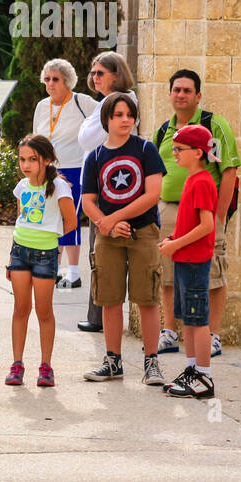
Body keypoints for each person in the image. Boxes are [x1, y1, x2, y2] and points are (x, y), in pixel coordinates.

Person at [154, 69, 241, 361]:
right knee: (169, 273)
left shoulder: (213, 126)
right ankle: (170, 331)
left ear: (198, 95)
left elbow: (229, 171)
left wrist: (218, 217)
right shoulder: (164, 130)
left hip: (204, 212)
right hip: (170, 210)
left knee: (212, 273)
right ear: (169, 94)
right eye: (176, 89)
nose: (180, 95)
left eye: (187, 90)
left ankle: (212, 335)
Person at [80, 93, 166, 385]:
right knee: (110, 298)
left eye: (130, 114)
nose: (125, 120)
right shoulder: (95, 157)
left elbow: (152, 194)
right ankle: (113, 360)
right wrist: (106, 226)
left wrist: (114, 219)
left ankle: (152, 361)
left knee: (147, 298)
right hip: (108, 237)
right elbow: (88, 200)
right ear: (107, 119)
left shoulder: (146, 149)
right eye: (118, 115)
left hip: (143, 232)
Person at [5, 135, 77, 386]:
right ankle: (17, 364)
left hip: (45, 255)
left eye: (32, 159)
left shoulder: (59, 186)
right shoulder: (22, 186)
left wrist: (52, 243)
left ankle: (46, 366)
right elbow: (21, 219)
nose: (26, 165)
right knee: (20, 309)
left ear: (46, 160)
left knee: (44, 311)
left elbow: (71, 222)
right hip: (19, 252)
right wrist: (11, 258)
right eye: (22, 159)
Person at [76, 51, 137, 333]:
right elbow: (85, 138)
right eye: (93, 72)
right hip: (102, 183)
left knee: (102, 253)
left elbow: (87, 137)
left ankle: (102, 317)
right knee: (97, 253)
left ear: (117, 74)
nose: (95, 77)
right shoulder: (102, 103)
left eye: (100, 72)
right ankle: (98, 316)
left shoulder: (122, 101)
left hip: (116, 186)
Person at [158, 124, 219, 399]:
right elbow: (189, 222)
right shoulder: (192, 180)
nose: (175, 154)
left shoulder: (203, 181)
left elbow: (207, 225)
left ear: (197, 152)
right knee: (189, 320)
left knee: (199, 320)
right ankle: (192, 369)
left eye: (179, 149)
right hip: (185, 258)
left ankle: (204, 377)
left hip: (195, 261)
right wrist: (173, 238)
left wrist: (176, 244)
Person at [32, 58, 97, 288]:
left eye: (56, 79)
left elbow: (104, 117)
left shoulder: (82, 102)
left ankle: (74, 272)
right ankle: (55, 268)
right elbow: (35, 139)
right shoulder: (42, 105)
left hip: (75, 169)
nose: (50, 83)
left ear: (67, 81)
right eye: (47, 79)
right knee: (51, 219)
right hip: (47, 171)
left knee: (70, 219)